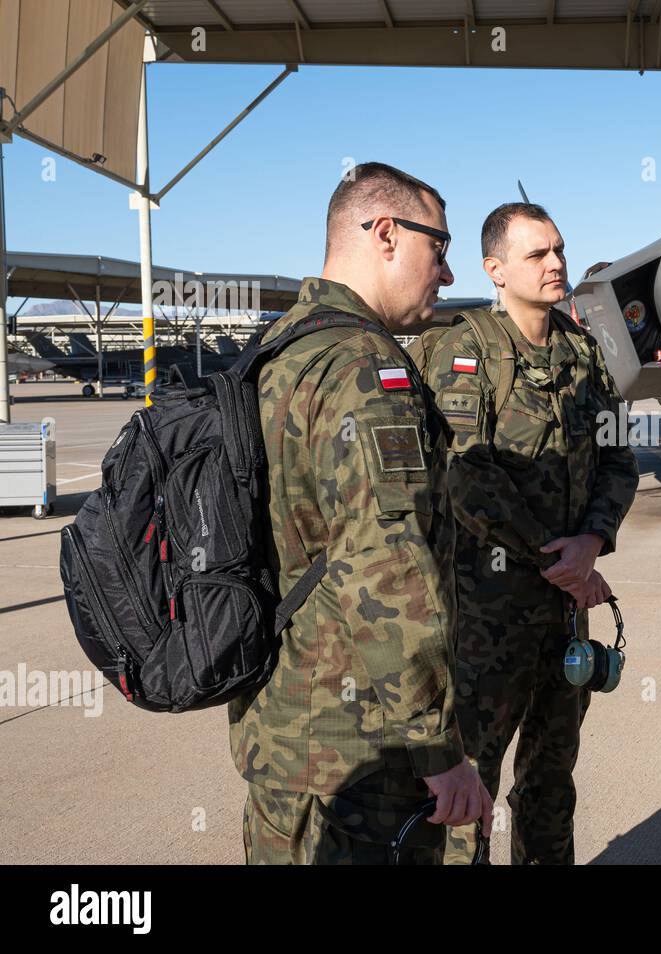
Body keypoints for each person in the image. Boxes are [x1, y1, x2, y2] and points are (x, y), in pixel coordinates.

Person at [230, 162, 492, 864]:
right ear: (385, 234)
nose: (447, 272)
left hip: (282, 730)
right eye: (439, 247)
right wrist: (438, 749)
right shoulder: (366, 370)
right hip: (361, 753)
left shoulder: (279, 350)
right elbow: (386, 567)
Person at [414, 202, 638, 864]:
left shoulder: (582, 353)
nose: (556, 263)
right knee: (469, 786)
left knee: (551, 780)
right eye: (537, 254)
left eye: (559, 249)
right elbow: (466, 474)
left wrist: (592, 540)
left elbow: (618, 457)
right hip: (486, 617)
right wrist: (557, 558)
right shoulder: (465, 350)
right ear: (495, 269)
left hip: (564, 612)